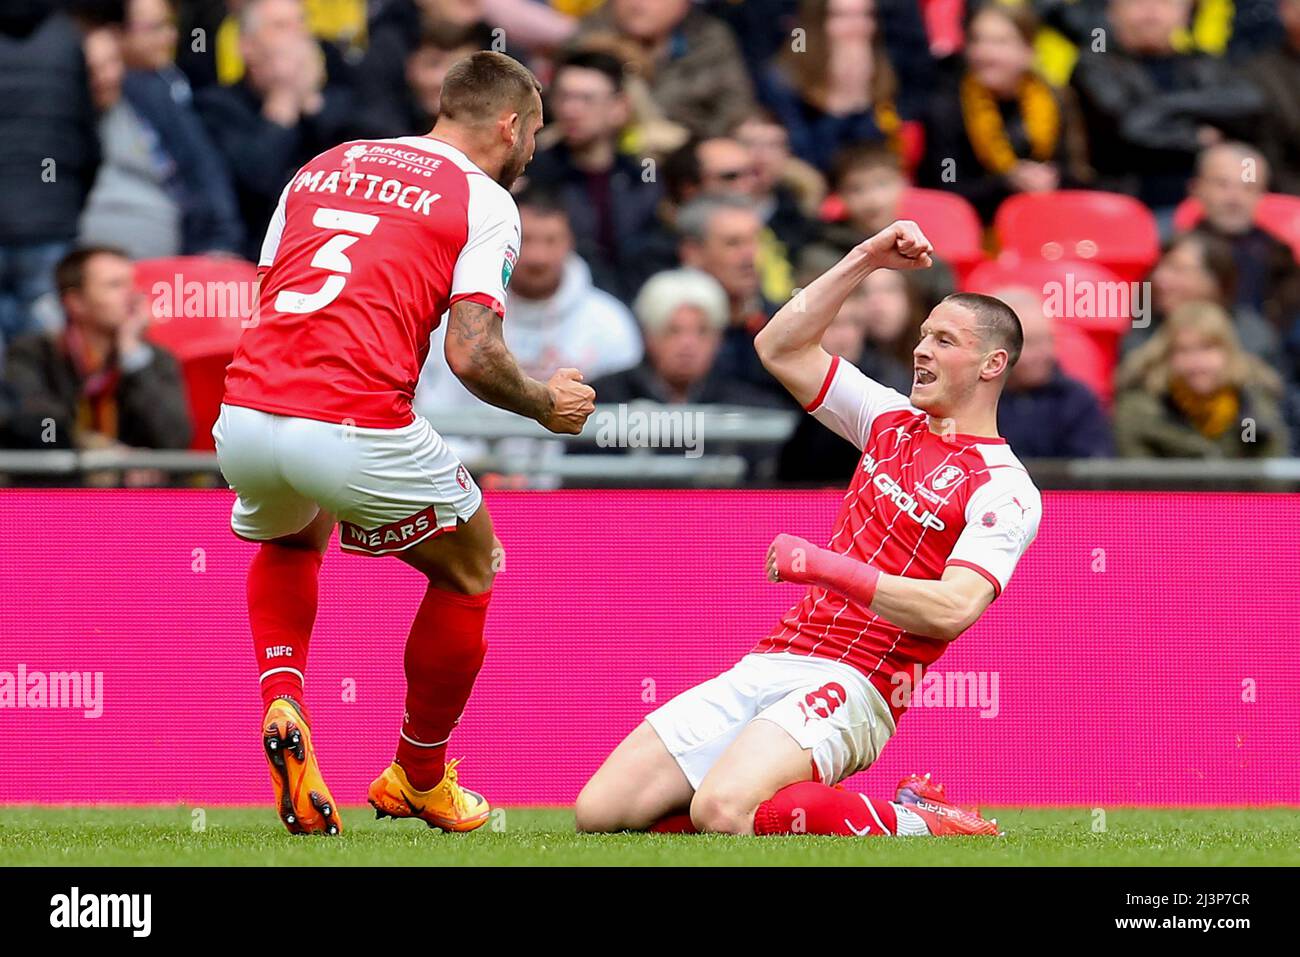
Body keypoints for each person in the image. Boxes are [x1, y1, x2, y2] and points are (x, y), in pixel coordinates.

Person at [211, 51, 596, 837]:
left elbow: (272, 296)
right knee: (472, 566)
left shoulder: (326, 163)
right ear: (509, 125)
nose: (532, 153)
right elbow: (473, 352)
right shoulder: (484, 200)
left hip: (247, 412)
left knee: (293, 536)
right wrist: (543, 404)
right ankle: (419, 775)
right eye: (534, 137)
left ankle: (283, 697)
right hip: (352, 418)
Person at [576, 221, 1041, 838]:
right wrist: (866, 258)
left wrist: (825, 566)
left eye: (945, 341)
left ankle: (919, 823)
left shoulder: (1005, 487)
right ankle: (800, 799)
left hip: (860, 681)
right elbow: (781, 347)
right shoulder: (888, 419)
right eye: (923, 336)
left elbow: (953, 609)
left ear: (993, 364)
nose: (921, 350)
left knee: (722, 811)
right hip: (776, 655)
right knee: (600, 814)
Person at [1069, 0, 1263, 220]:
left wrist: (1166, 105)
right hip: (1129, 206)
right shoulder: (1095, 63)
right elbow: (1129, 128)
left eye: (1165, 3)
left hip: (1205, 209)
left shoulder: (1201, 63)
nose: (1151, 13)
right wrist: (1196, 137)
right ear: (1112, 12)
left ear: (1186, 12)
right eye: (1137, 4)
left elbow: (1249, 103)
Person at [195, 0, 357, 261]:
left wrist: (311, 105)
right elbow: (255, 181)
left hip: (337, 247)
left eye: (301, 22)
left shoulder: (340, 98)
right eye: (281, 26)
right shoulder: (215, 107)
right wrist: (284, 99)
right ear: (246, 46)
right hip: (258, 256)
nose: (298, 35)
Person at [2, 246, 191, 453]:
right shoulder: (34, 354)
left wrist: (133, 356)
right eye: (115, 285)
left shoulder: (152, 360)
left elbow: (176, 438)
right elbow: (39, 427)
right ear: (76, 302)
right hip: (56, 483)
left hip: (136, 486)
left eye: (132, 284)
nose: (133, 296)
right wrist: (94, 449)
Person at [919, 2, 1091, 224]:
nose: (984, 53)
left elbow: (1078, 174)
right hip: (978, 227)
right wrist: (1006, 183)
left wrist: (1051, 180)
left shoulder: (1057, 98)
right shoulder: (946, 108)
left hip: (1051, 220)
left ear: (1029, 52)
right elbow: (946, 190)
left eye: (1000, 42)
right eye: (977, 40)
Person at [523, 50, 662, 303]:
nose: (571, 109)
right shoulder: (532, 172)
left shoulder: (641, 177)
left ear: (619, 107)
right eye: (564, 97)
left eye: (586, 99)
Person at [1114, 301, 1289, 457]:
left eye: (1207, 348)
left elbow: (1271, 479)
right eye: (1183, 350)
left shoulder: (1253, 408)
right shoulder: (1141, 412)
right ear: (1166, 356)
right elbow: (1139, 483)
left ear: (1229, 352)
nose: (1196, 362)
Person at [992, 287, 1115, 458]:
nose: (1045, 353)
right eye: (1031, 343)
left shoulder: (1076, 400)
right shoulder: (973, 401)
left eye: (1048, 340)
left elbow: (1094, 470)